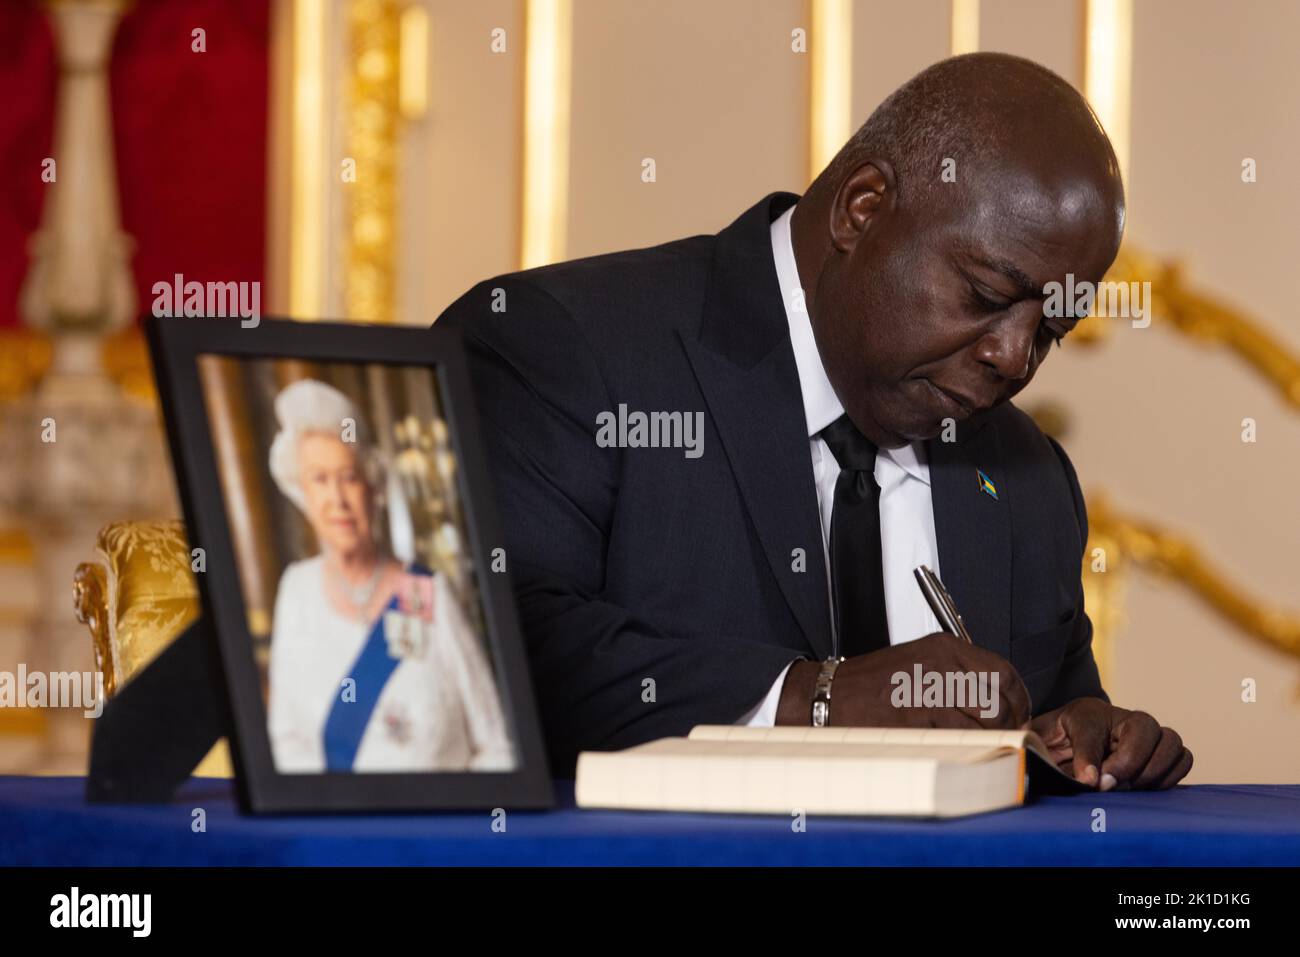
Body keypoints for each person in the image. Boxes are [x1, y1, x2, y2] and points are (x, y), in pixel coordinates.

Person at [437, 52, 1192, 789]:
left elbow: (1048, 724)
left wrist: (1090, 735)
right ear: (860, 210)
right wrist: (813, 699)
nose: (1014, 356)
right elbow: (484, 651)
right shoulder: (561, 347)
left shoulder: (1026, 476)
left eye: (1051, 330)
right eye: (988, 295)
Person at [265, 378, 514, 773]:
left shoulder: (425, 591)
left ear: (373, 488)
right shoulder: (296, 591)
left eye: (349, 477)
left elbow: (497, 744)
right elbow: (285, 744)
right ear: (302, 495)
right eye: (319, 480)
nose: (337, 500)